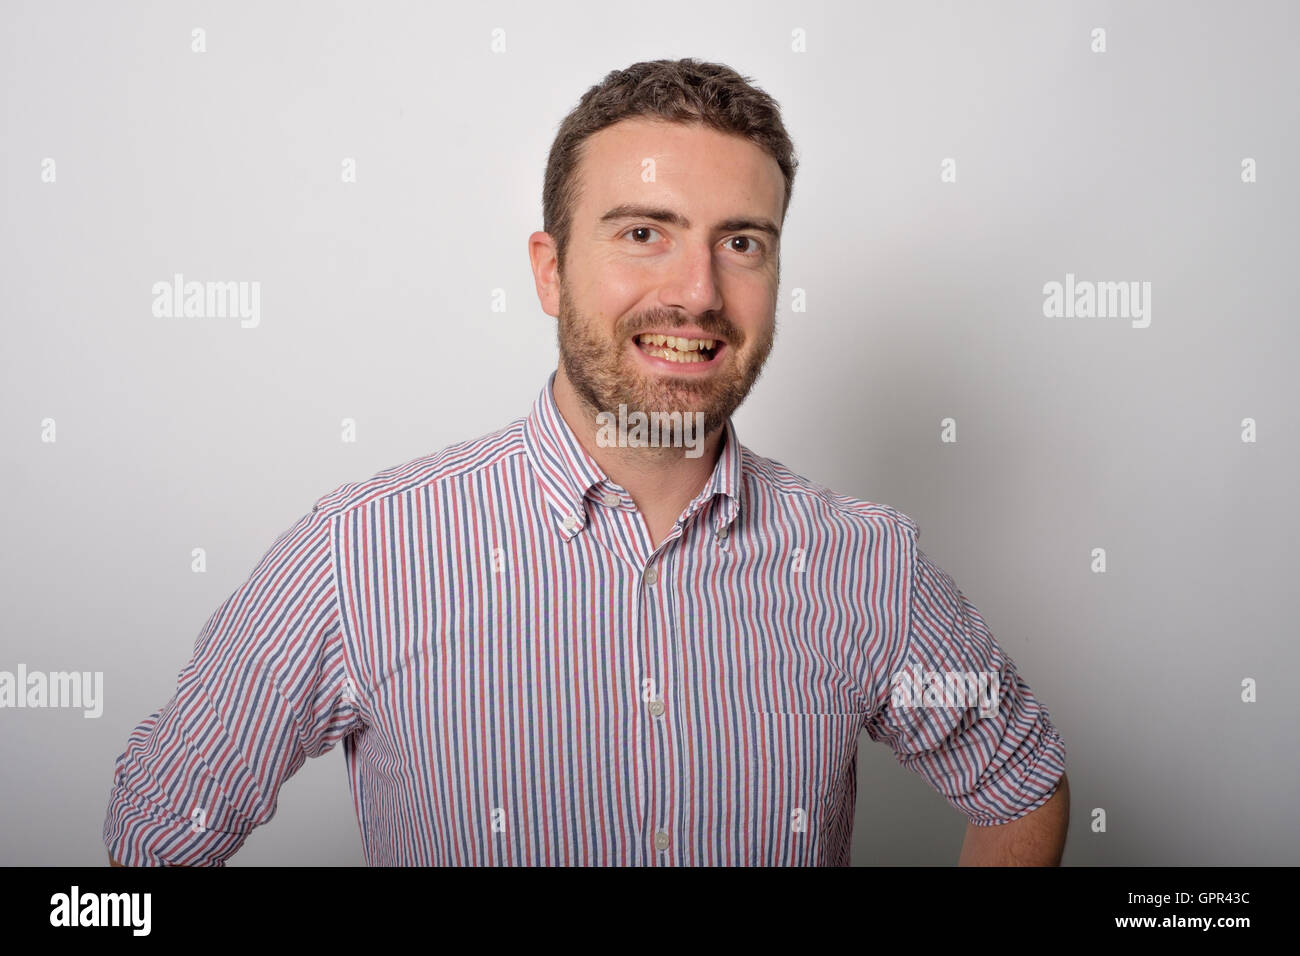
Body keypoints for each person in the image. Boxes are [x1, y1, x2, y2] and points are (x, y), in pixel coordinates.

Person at [105, 57, 1068, 867]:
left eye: (741, 243)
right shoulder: (357, 555)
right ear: (551, 270)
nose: (696, 292)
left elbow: (1020, 784)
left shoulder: (867, 562)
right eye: (643, 233)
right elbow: (155, 837)